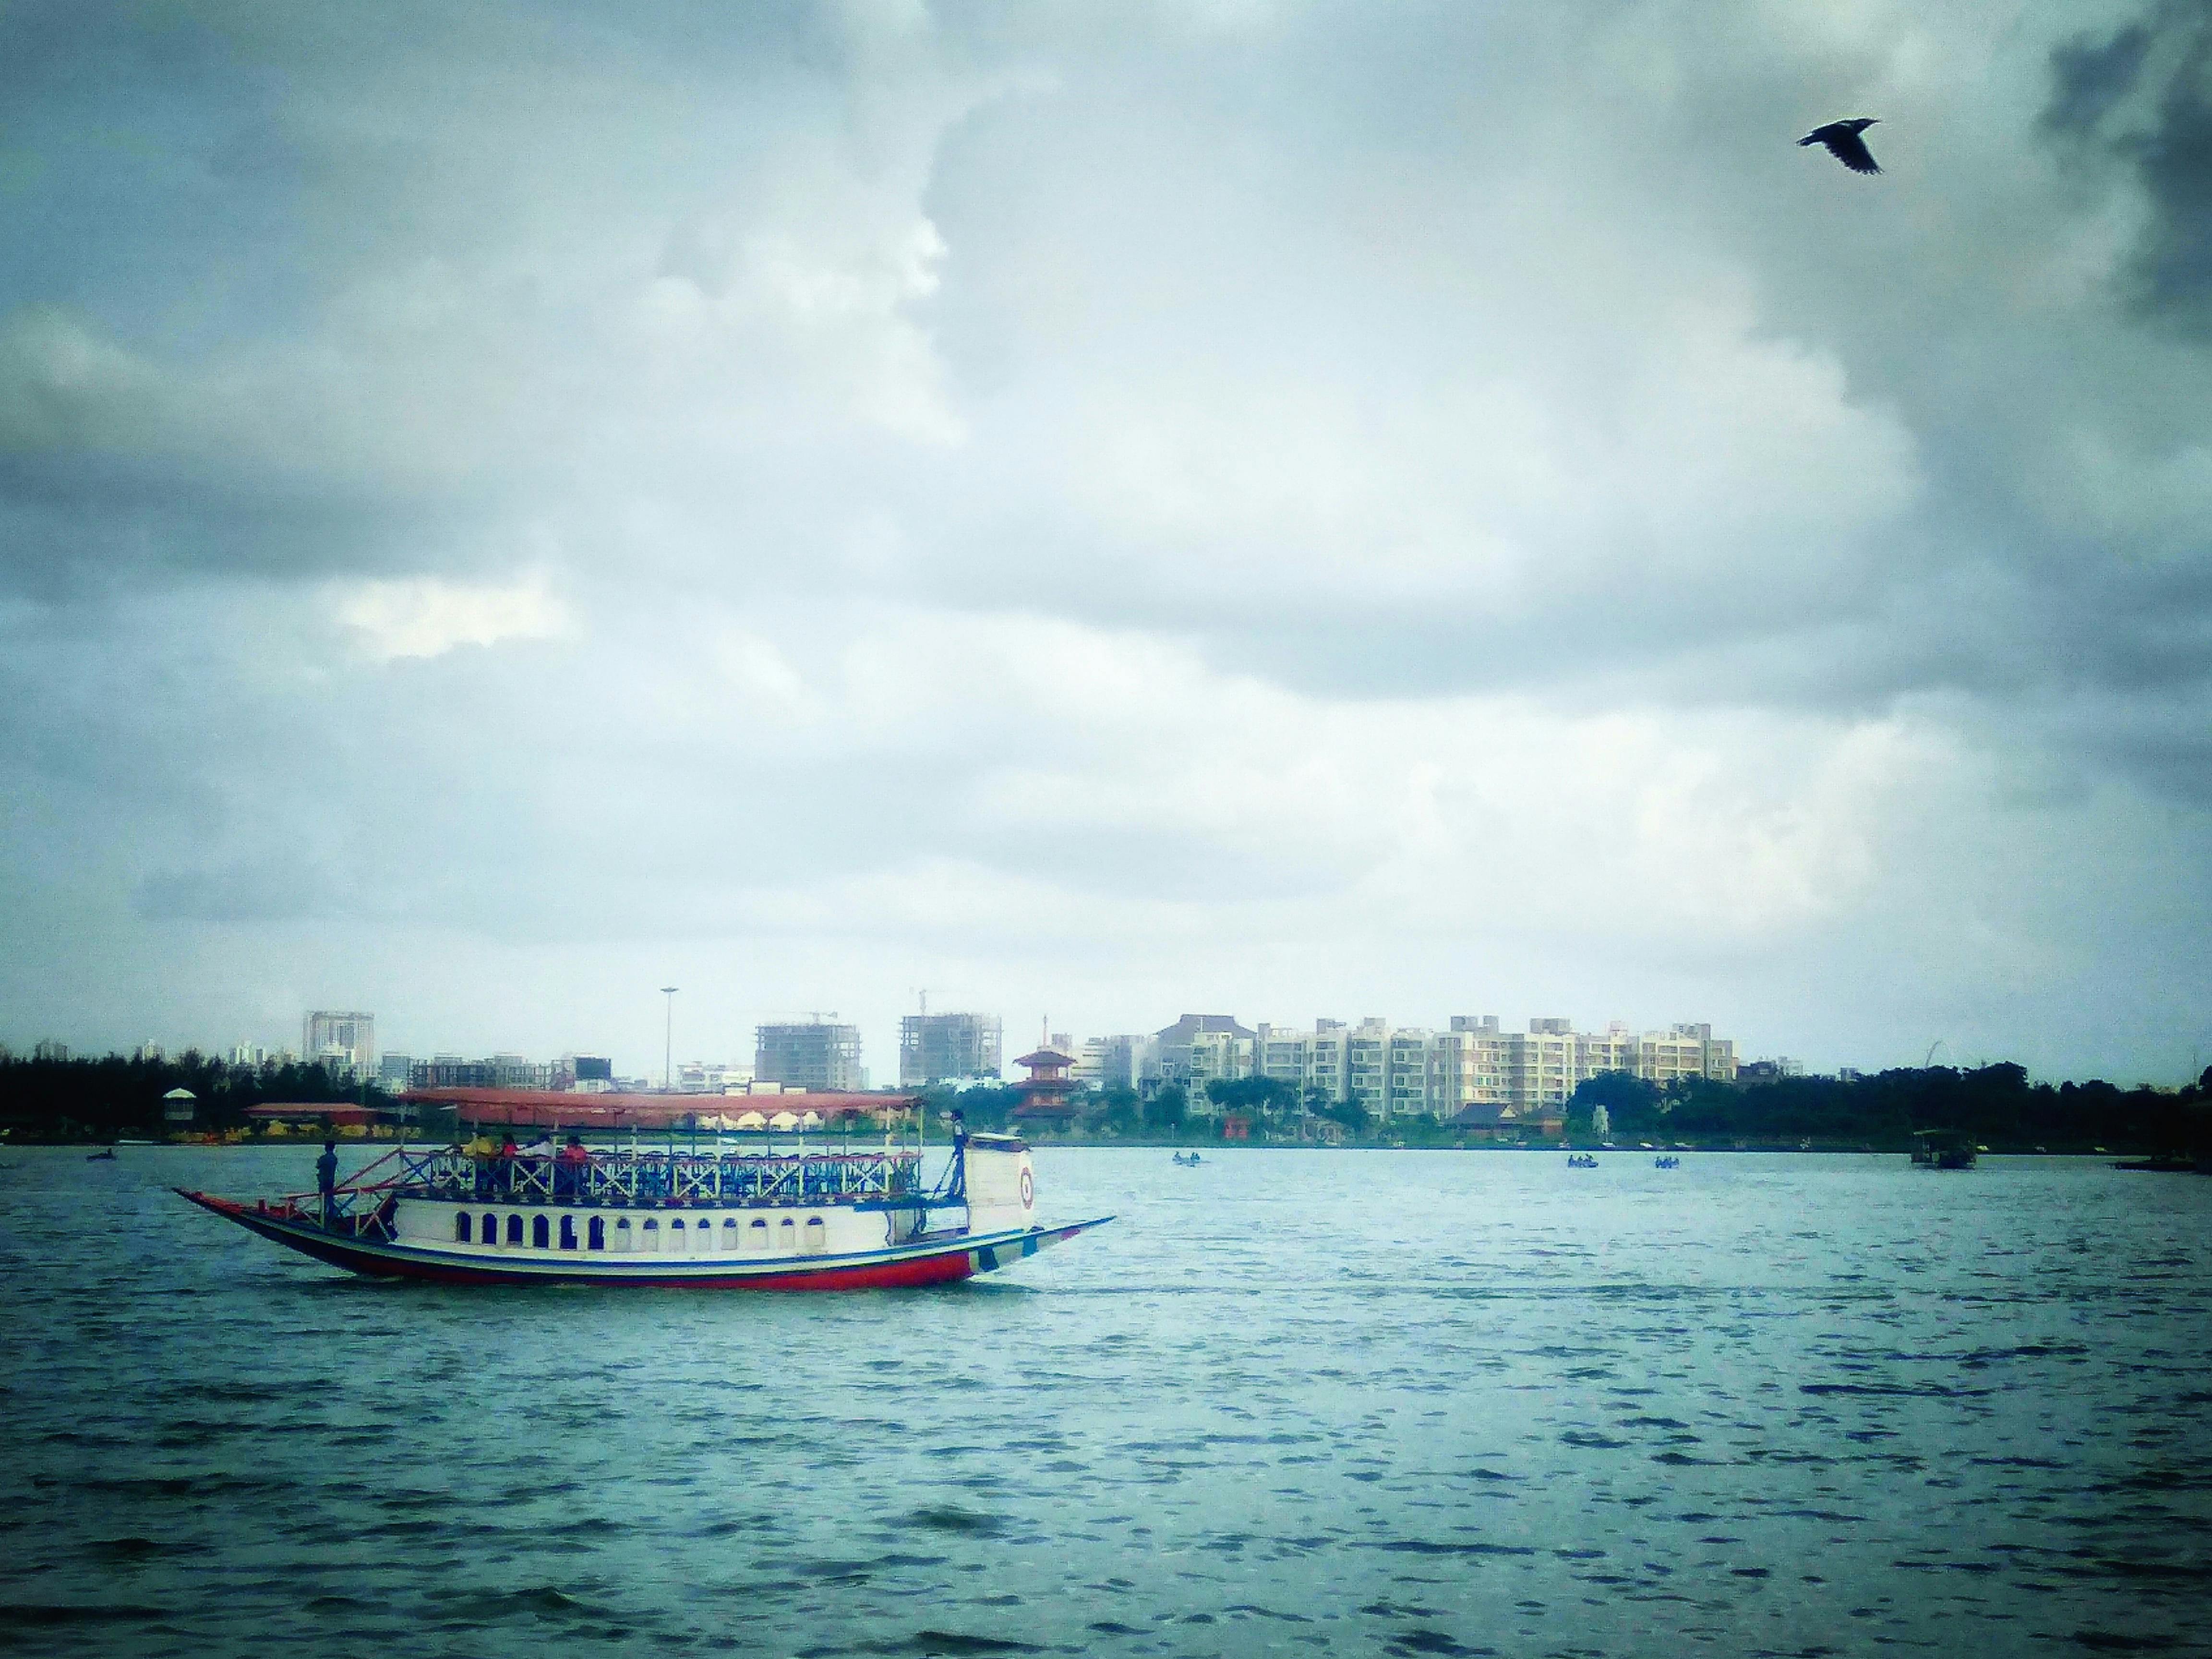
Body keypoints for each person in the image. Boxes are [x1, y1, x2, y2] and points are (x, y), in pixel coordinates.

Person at [315, 1138, 339, 1227]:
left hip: (323, 1181)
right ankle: (331, 1216)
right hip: (331, 1181)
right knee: (330, 1199)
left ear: (327, 1147)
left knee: (323, 1200)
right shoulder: (334, 1159)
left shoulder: (323, 1158)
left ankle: (323, 1218)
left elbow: (318, 1166)